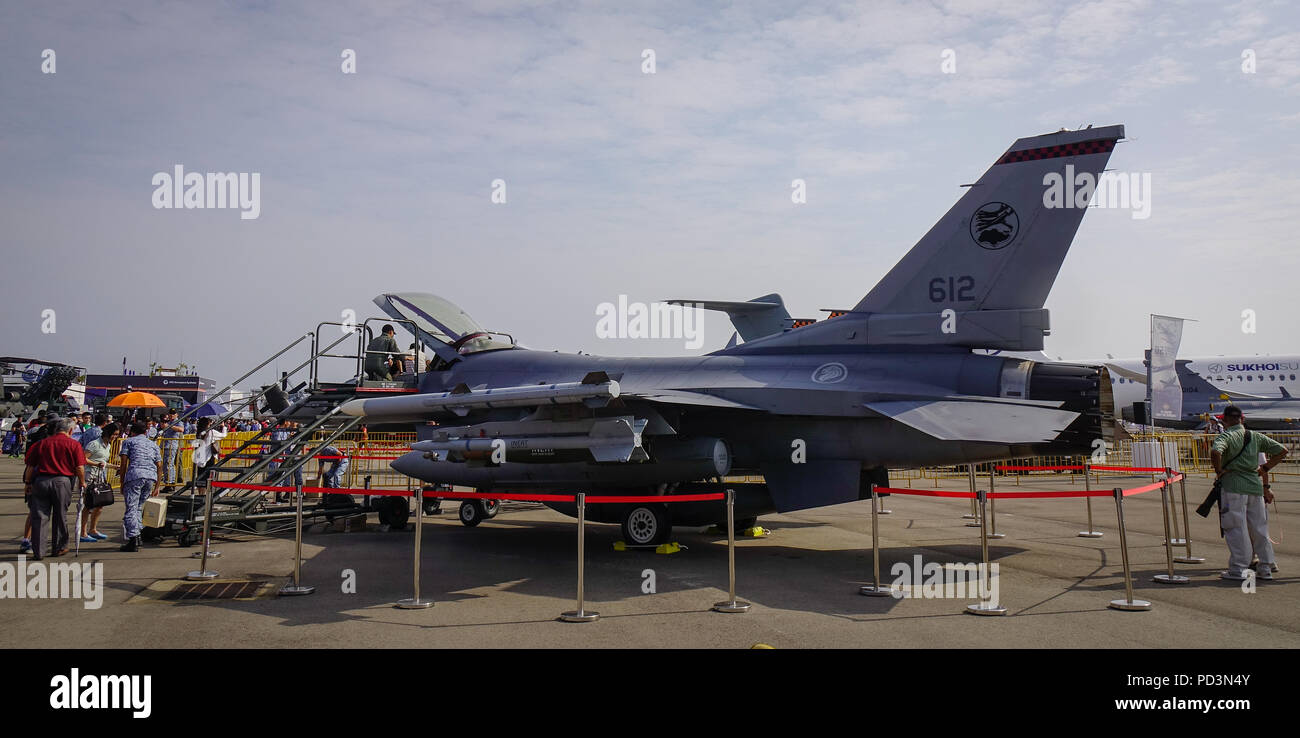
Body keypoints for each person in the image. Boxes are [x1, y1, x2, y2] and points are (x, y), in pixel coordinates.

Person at [1210, 405, 1288, 581]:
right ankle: (1266, 566)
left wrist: (1219, 470)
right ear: (1242, 419)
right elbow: (1282, 451)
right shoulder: (1255, 436)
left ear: (1224, 420)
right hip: (1254, 486)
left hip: (1233, 486)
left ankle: (1239, 568)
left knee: (1236, 527)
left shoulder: (1226, 436)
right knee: (1259, 527)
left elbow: (1216, 451)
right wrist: (1265, 468)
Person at [23, 418, 86, 559]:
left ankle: (38, 551)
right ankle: (59, 547)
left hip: (41, 481)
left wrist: (28, 483)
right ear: (70, 430)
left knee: (39, 516)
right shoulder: (74, 444)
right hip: (62, 481)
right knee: (60, 515)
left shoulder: (42, 443)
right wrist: (82, 482)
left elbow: (30, 466)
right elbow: (79, 467)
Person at [118, 421, 162, 552]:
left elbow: (124, 463)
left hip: (135, 475)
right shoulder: (153, 444)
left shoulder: (128, 442)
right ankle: (138, 535)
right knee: (138, 507)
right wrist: (157, 486)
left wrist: (122, 481)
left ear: (132, 432)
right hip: (150, 476)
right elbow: (159, 466)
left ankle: (133, 538)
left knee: (131, 508)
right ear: (146, 432)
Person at [80, 423, 120, 542]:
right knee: (88, 505)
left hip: (100, 476)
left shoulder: (107, 445)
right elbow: (83, 459)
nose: (115, 437)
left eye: (117, 435)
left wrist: (113, 466)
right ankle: (83, 532)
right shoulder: (94, 444)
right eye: (114, 434)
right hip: (90, 476)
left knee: (100, 504)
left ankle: (93, 529)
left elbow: (102, 461)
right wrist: (96, 464)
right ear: (108, 433)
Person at [191, 417, 227, 485]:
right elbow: (223, 435)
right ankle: (206, 493)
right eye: (210, 422)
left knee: (200, 475)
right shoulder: (211, 432)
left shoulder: (198, 432)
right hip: (209, 456)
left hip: (200, 456)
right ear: (207, 424)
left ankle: (200, 492)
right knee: (208, 476)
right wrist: (223, 426)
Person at [159, 410, 185, 485]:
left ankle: (170, 482)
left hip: (171, 445)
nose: (171, 415)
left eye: (173, 414)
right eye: (170, 414)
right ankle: (170, 481)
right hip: (166, 445)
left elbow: (181, 429)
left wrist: (169, 426)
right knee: (167, 464)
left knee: (169, 464)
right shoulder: (169, 422)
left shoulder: (178, 421)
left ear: (176, 415)